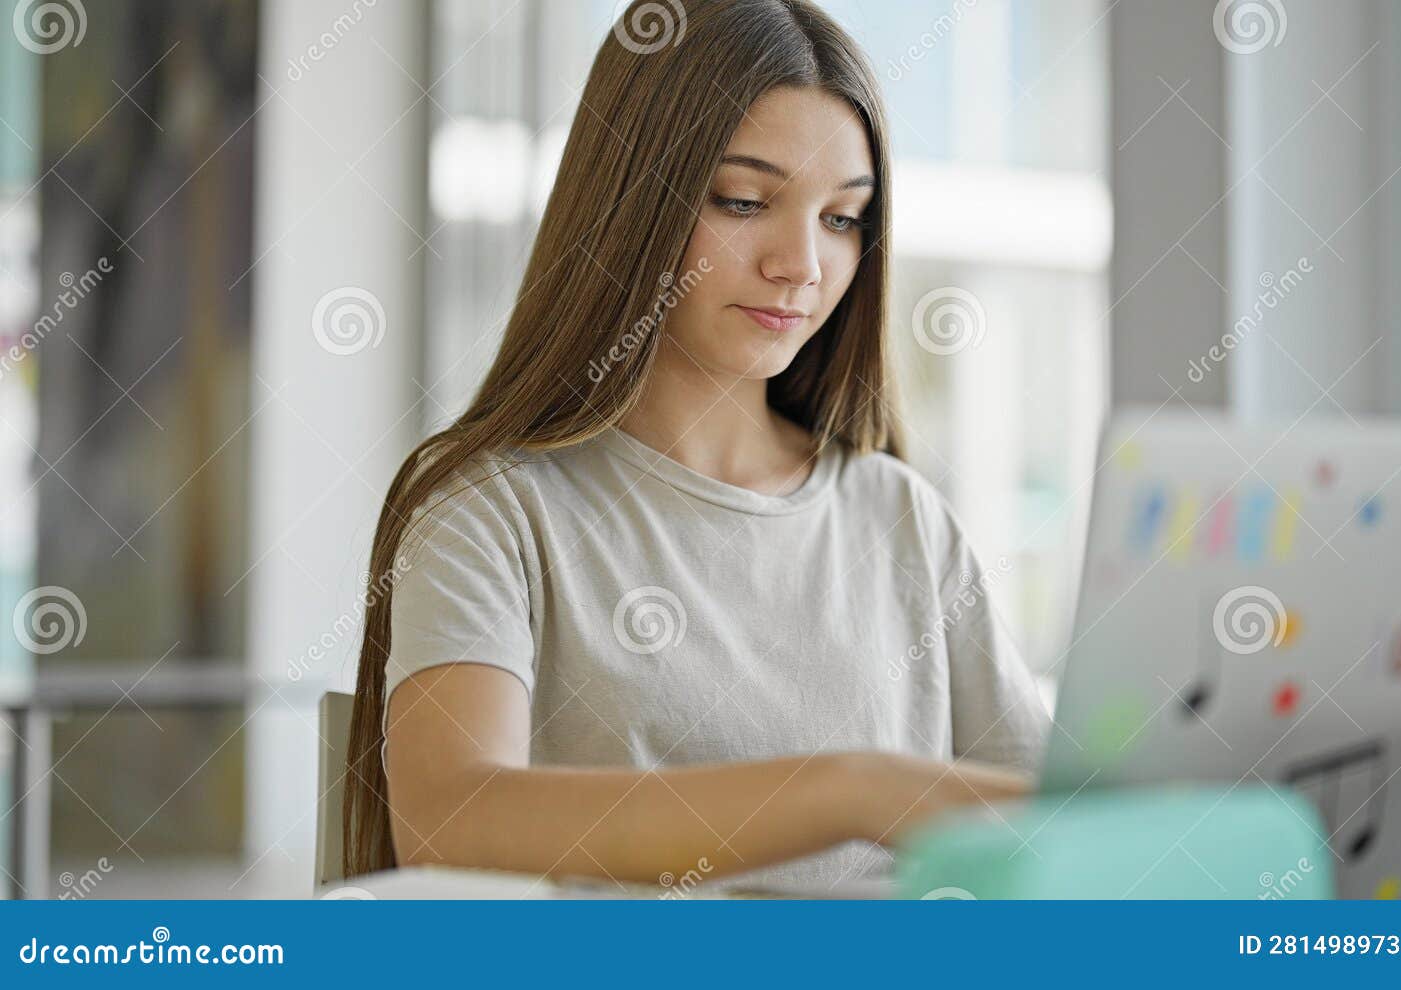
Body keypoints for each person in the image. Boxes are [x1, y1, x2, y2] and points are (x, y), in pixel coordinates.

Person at [343, 0, 1049, 893]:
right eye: (744, 201)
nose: (801, 264)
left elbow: (1066, 823)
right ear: (630, 203)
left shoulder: (900, 514)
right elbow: (450, 822)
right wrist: (851, 791)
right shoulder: (494, 509)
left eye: (842, 218)